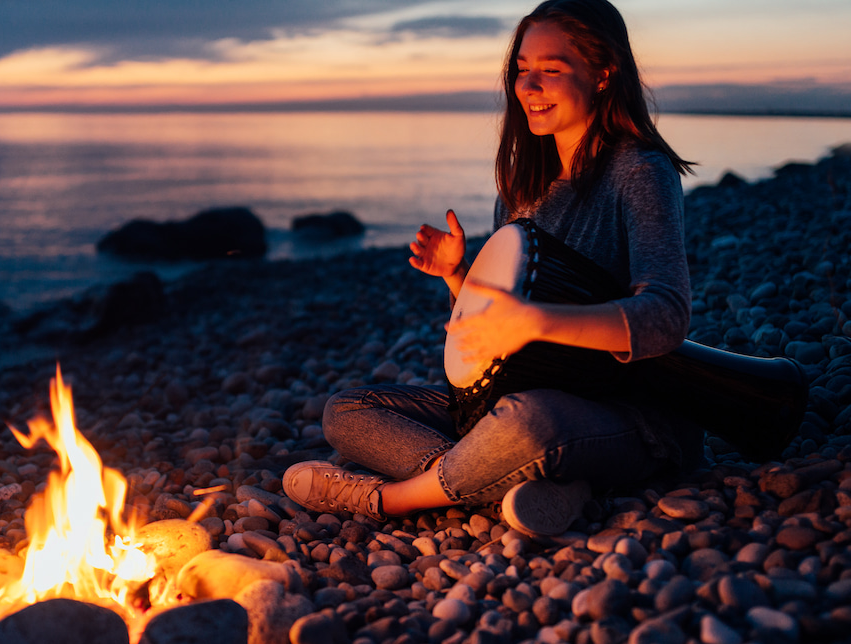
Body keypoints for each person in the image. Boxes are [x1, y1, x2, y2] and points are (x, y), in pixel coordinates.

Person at [282, 0, 703, 537]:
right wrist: (458, 278)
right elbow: (494, 342)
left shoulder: (639, 171)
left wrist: (536, 322)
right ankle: (526, 477)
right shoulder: (521, 191)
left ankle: (389, 499)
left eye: (550, 70)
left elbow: (667, 317)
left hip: (626, 413)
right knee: (347, 410)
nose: (528, 86)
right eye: (522, 70)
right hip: (516, 399)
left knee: (530, 424)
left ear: (603, 74)